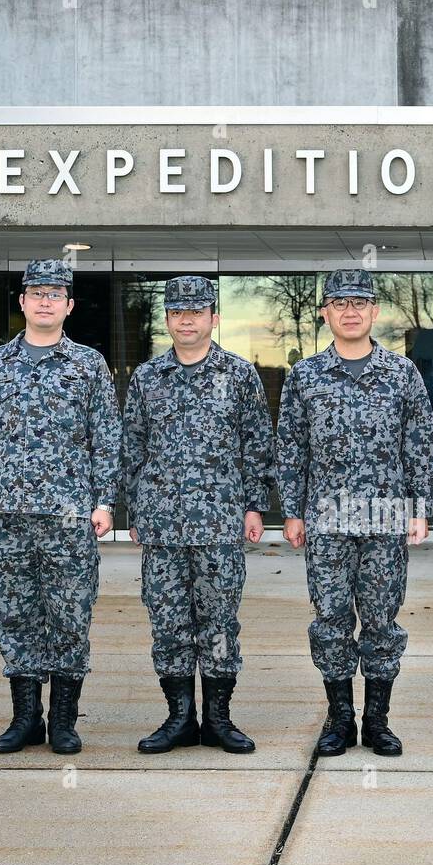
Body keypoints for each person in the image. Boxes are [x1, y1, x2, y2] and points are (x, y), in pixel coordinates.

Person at [277, 269, 433, 757]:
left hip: (385, 517)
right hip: (326, 518)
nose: (350, 311)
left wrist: (420, 506)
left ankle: (377, 720)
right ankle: (339, 717)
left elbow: (419, 442)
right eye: (340, 303)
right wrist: (291, 511)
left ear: (374, 312)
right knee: (330, 619)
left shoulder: (401, 374)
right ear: (325, 312)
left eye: (360, 303)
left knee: (382, 621)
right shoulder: (305, 375)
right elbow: (291, 446)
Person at [0, 260, 120, 755]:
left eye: (56, 294)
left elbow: (107, 438)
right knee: (13, 614)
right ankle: (25, 718)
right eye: (37, 293)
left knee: (70, 615)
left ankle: (64, 721)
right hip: (8, 515)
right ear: (23, 302)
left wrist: (105, 500)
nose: (46, 301)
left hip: (70, 515)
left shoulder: (89, 365)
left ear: (69, 305)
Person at [122, 275, 275, 754]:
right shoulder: (148, 377)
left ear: (214, 318)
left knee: (220, 622)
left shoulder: (239, 374)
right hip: (163, 525)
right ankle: (179, 718)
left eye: (196, 311)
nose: (186, 319)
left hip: (221, 522)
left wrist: (256, 506)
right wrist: (135, 507)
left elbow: (257, 444)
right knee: (168, 622)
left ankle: (219, 719)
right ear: (168, 319)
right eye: (176, 312)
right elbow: (133, 446)